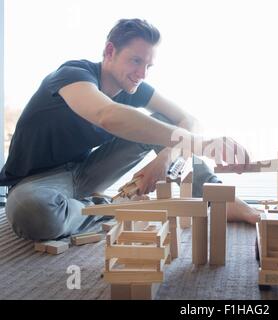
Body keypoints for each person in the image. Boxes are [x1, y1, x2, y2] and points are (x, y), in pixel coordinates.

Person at [0, 19, 259, 241]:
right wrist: (201, 144)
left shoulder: (132, 87)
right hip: (37, 183)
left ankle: (222, 198)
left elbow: (188, 119)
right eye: (135, 61)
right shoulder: (72, 75)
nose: (142, 74)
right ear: (110, 51)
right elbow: (108, 116)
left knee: (162, 124)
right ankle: (117, 208)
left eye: (148, 66)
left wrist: (165, 157)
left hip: (86, 173)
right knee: (32, 214)